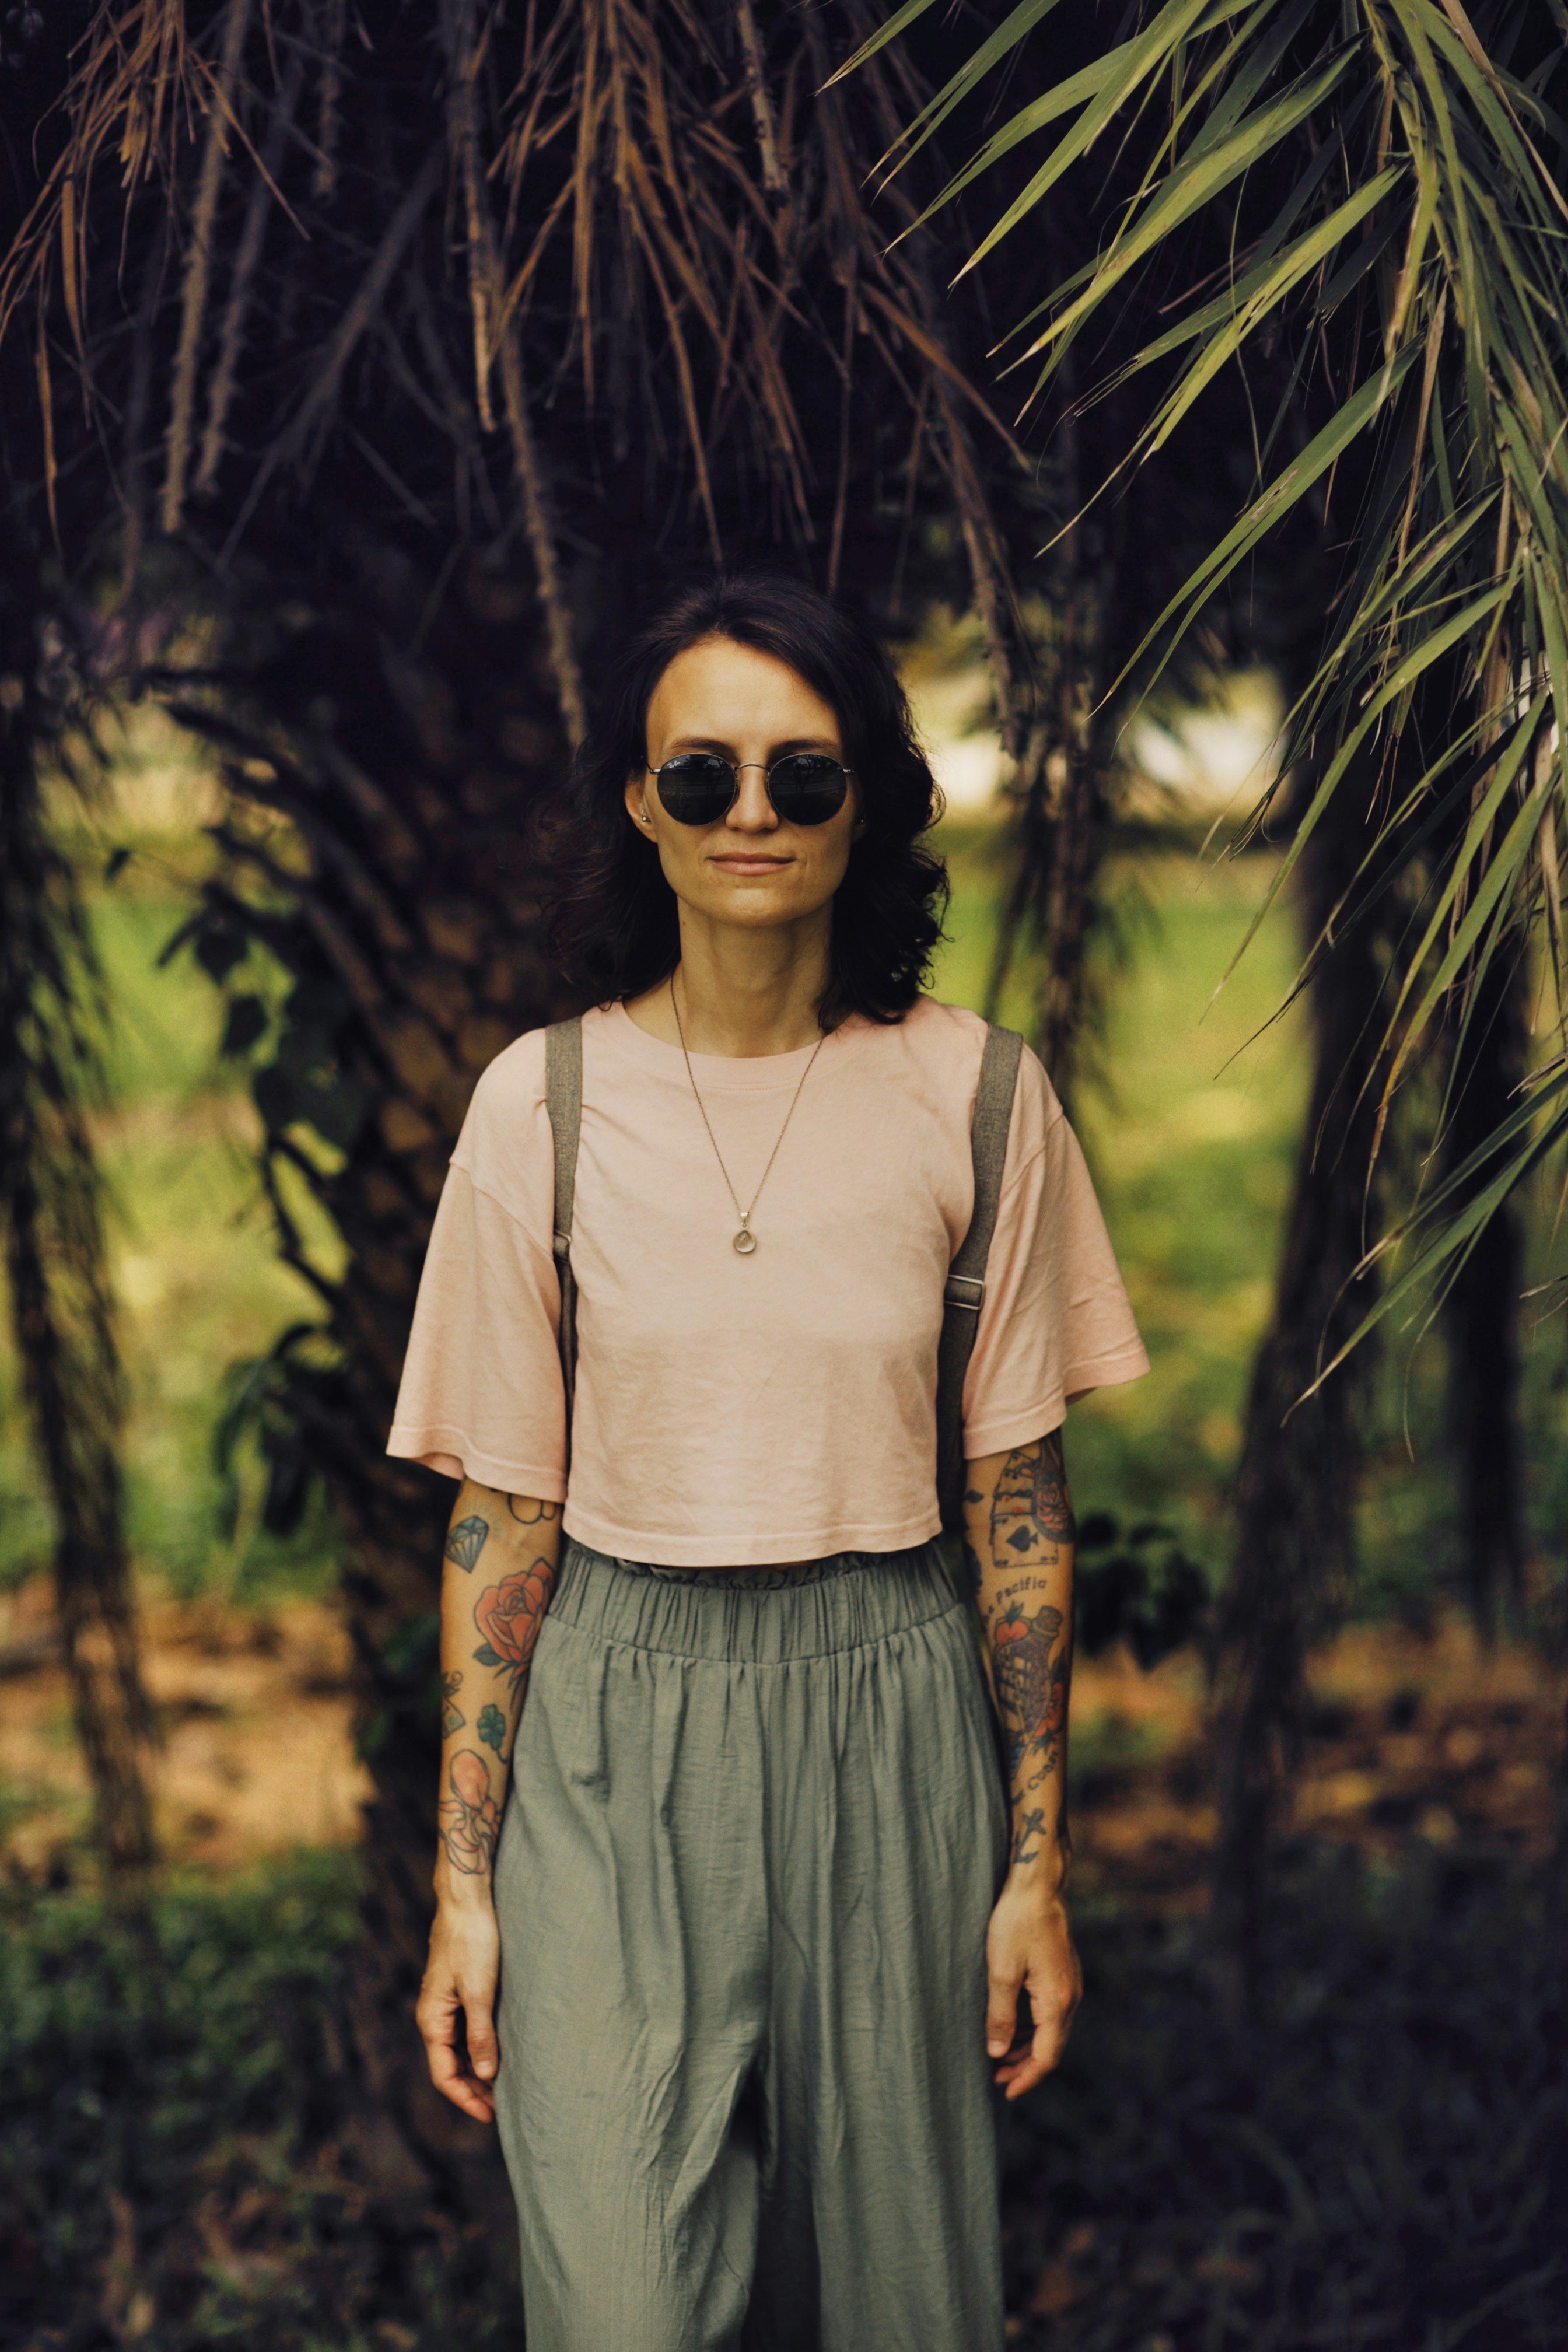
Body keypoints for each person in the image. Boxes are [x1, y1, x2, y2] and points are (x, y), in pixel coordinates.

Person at [387, 569, 1149, 2350]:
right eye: (705, 774)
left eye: (805, 777)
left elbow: (1017, 1511)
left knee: (904, 2304)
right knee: (623, 2306)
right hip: (606, 1732)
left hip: (891, 1717)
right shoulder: (541, 1108)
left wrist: (1035, 1871)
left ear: (870, 802)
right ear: (641, 806)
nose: (753, 816)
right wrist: (462, 1887)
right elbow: (502, 1519)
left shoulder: (977, 1097)